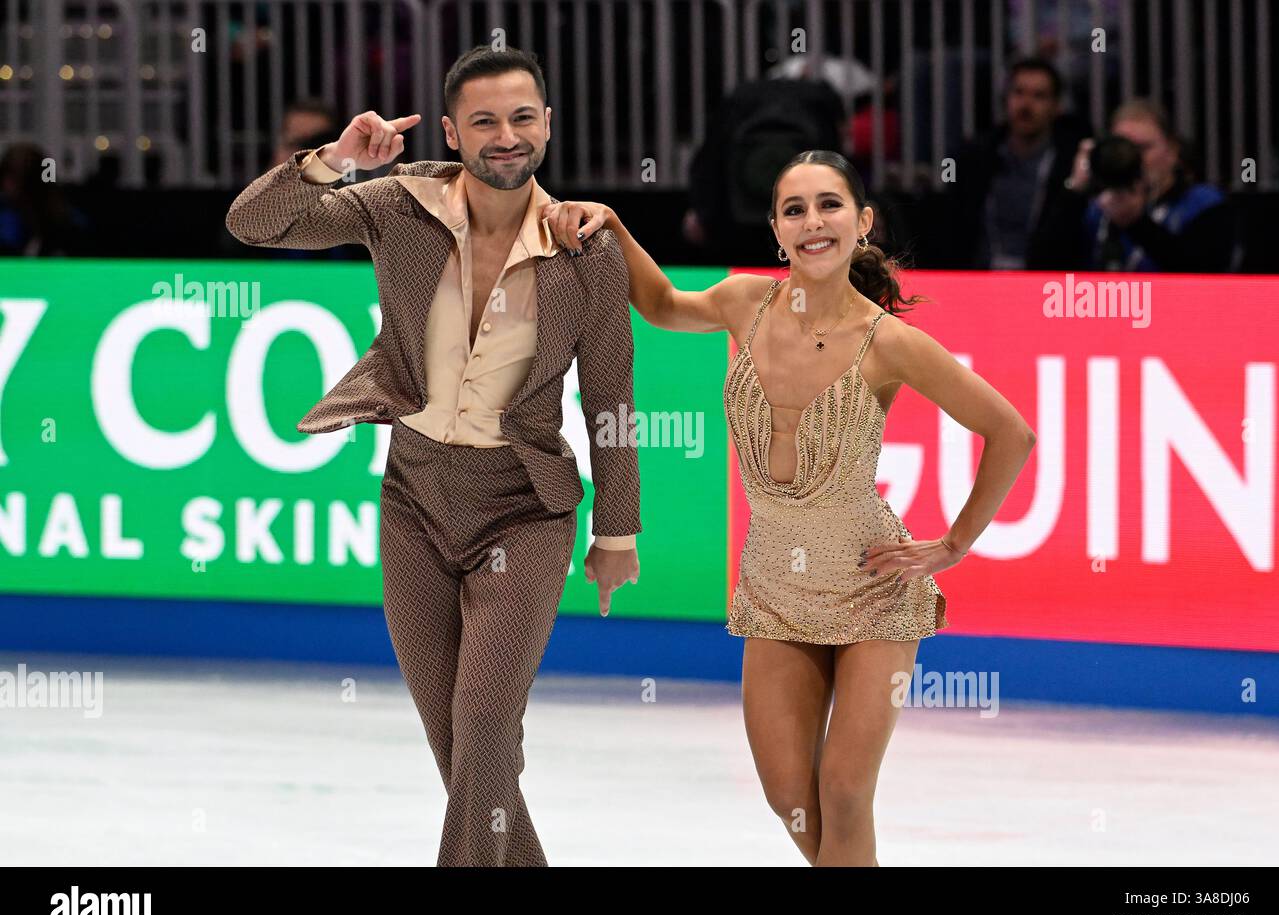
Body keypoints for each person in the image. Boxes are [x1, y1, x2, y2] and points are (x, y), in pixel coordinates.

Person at [543, 150, 1037, 865]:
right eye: (795, 209)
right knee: (791, 797)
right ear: (777, 230)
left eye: (830, 205)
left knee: (842, 791)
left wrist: (953, 545)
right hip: (775, 589)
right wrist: (616, 224)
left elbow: (1010, 433)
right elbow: (659, 306)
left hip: (874, 591)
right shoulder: (746, 301)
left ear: (862, 222)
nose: (814, 222)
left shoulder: (890, 343)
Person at [225, 45, 641, 866]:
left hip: (524, 507)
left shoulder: (585, 248)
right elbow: (252, 223)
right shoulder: (398, 207)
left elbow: (611, 401)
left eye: (523, 117)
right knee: (459, 746)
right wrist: (336, 160)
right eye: (483, 120)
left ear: (548, 125)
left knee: (484, 722)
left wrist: (617, 533)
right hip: (413, 500)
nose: (506, 136)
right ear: (451, 130)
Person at [944, 56, 1092, 270]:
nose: (1026, 104)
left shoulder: (1070, 162)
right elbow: (954, 230)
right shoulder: (974, 156)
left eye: (1039, 96)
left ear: (1056, 106)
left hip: (1047, 285)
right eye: (1019, 93)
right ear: (1006, 98)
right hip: (978, 282)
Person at [1064, 98, 1237, 272]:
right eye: (1120, 149)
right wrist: (1074, 191)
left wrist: (1136, 223)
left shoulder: (1204, 203)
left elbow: (1204, 274)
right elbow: (1043, 266)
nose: (1132, 159)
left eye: (1142, 148)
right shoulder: (1095, 206)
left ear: (1172, 151)